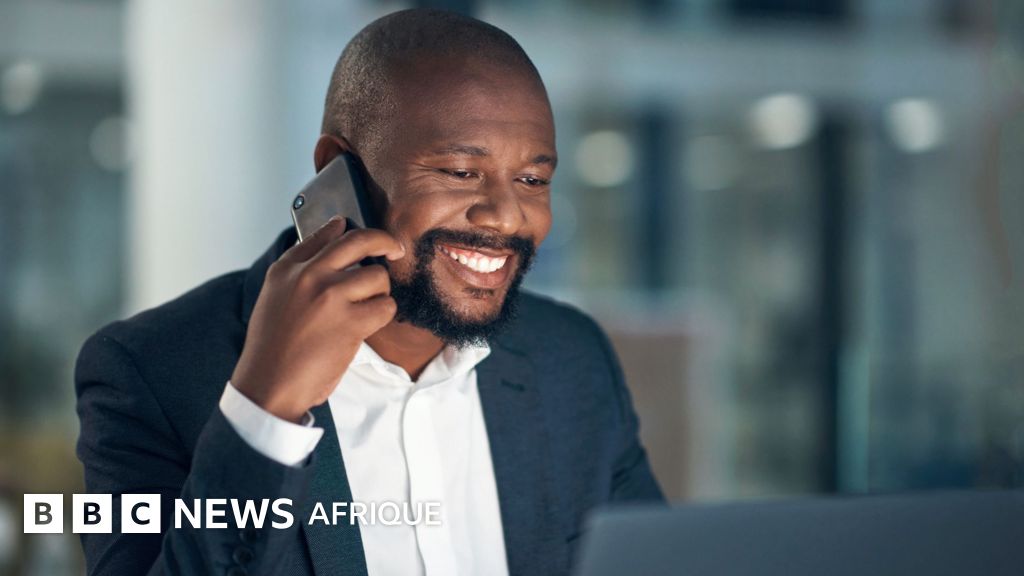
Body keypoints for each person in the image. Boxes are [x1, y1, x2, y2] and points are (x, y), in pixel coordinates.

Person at [75, 8, 663, 576]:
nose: (507, 217)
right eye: (461, 172)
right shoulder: (149, 372)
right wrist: (264, 410)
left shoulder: (572, 359)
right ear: (338, 169)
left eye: (533, 180)